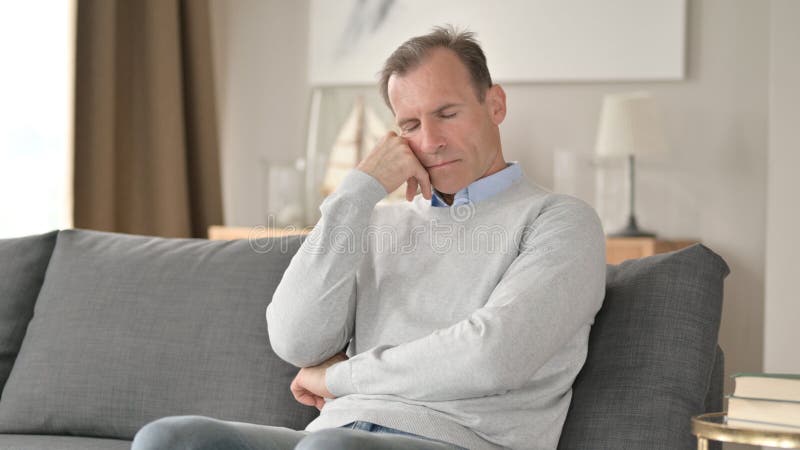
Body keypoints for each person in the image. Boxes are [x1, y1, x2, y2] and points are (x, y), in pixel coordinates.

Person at [132, 25, 606, 450]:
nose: (431, 141)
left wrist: (338, 378)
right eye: (411, 125)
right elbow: (295, 340)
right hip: (335, 433)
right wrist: (358, 192)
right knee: (169, 438)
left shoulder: (559, 221)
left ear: (495, 104)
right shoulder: (376, 223)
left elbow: (491, 356)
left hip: (460, 440)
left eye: (447, 113)